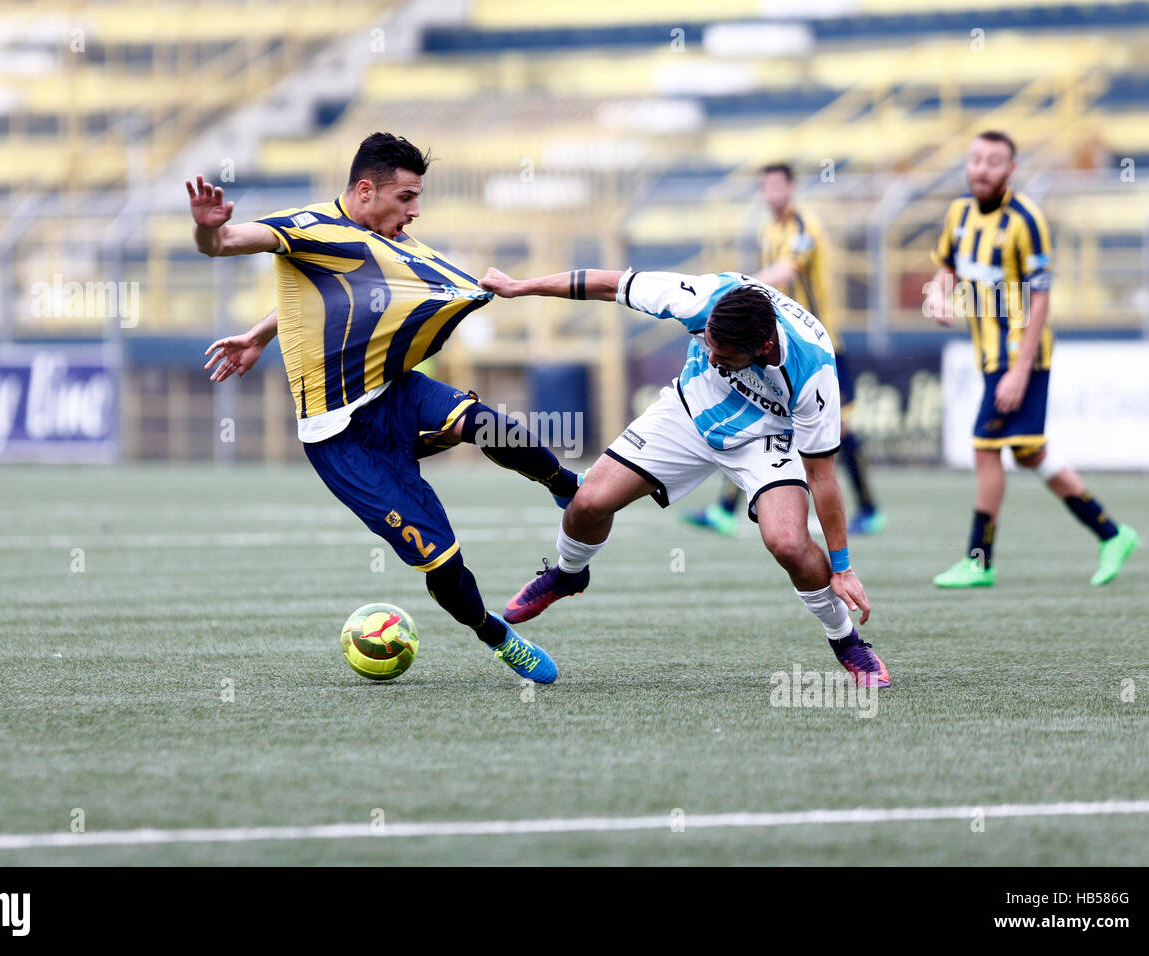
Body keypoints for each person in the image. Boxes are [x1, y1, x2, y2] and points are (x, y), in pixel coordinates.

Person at [190, 132, 578, 682]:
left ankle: (568, 489)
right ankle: (498, 635)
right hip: (342, 441)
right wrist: (209, 228)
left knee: (489, 426)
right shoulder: (303, 228)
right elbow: (225, 242)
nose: (415, 212)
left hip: (394, 391)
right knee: (443, 562)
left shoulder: (381, 241)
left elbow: (328, 294)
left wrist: (260, 332)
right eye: (406, 198)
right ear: (366, 190)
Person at [479, 264, 890, 688]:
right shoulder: (702, 298)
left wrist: (842, 567)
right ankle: (568, 574)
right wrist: (520, 286)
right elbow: (607, 284)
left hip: (766, 439)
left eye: (723, 356)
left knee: (788, 542)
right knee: (588, 504)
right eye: (707, 344)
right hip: (690, 411)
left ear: (764, 348)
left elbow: (823, 477)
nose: (710, 357)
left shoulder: (814, 371)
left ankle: (847, 642)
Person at [925, 130, 1136, 588]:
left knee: (984, 447)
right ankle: (1112, 533)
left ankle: (979, 559)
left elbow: (1039, 299)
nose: (981, 168)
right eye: (975, 159)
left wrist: (1020, 370)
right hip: (988, 357)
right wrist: (940, 296)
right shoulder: (959, 214)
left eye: (993, 162)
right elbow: (947, 267)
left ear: (1011, 170)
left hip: (1023, 356)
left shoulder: (1026, 220)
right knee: (1028, 452)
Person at [683, 163, 883, 537]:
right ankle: (726, 508)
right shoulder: (768, 229)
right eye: (766, 187)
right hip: (775, 346)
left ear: (791, 188)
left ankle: (870, 509)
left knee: (840, 428)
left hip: (818, 349)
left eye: (778, 185)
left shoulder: (804, 226)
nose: (772, 193)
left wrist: (741, 286)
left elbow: (787, 271)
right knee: (758, 414)